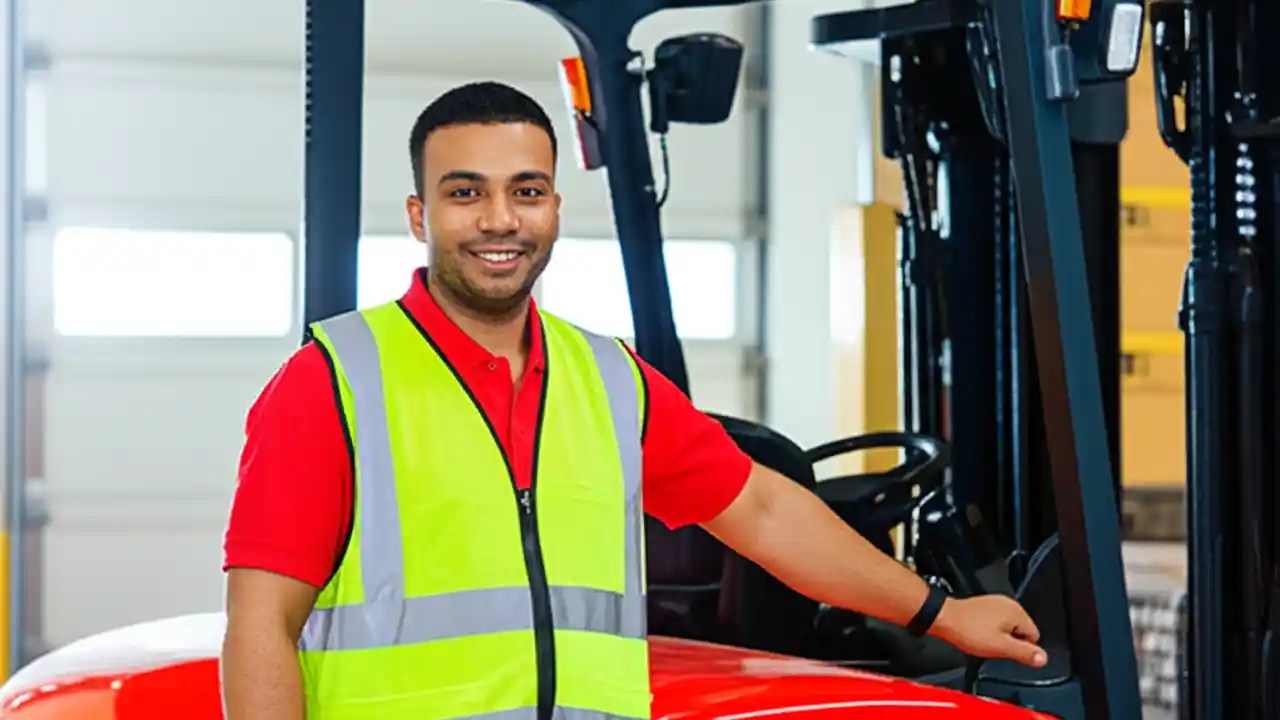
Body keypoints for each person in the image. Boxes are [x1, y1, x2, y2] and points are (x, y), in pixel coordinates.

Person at [220, 80, 1046, 720]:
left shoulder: (609, 380)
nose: (499, 219)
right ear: (419, 213)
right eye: (465, 192)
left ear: (552, 207)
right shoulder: (334, 382)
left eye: (526, 191)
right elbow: (262, 624)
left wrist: (942, 612)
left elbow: (760, 508)